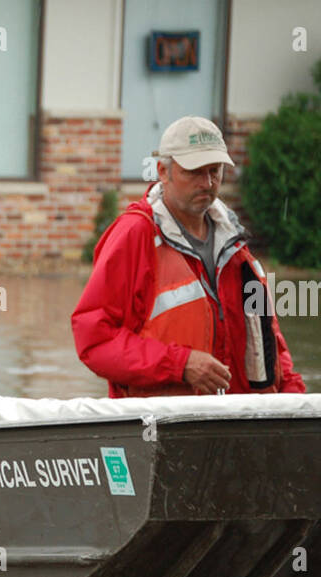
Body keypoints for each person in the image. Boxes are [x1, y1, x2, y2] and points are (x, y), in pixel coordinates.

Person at [71, 116, 305, 397]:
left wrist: (294, 400)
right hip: (163, 428)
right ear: (163, 171)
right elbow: (95, 342)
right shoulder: (135, 234)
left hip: (237, 426)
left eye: (214, 171)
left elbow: (272, 341)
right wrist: (180, 364)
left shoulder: (237, 247)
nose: (207, 183)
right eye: (194, 171)